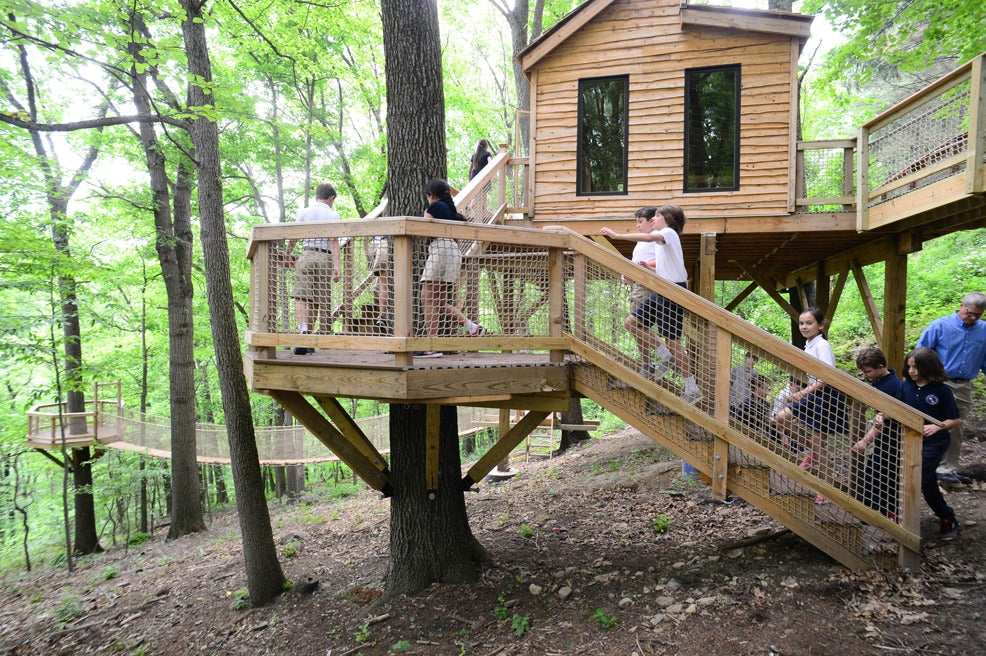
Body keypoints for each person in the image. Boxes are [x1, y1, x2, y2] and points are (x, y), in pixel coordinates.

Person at [600, 205, 701, 404]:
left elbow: (649, 238)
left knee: (673, 342)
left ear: (667, 218)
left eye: (657, 216)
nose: (653, 219)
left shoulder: (668, 232)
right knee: (631, 322)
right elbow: (663, 267)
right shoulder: (664, 239)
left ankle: (692, 387)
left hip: (673, 291)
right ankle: (665, 356)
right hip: (662, 288)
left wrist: (615, 236)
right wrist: (645, 268)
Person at [772, 307, 848, 503]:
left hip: (826, 395)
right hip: (814, 392)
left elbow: (827, 378)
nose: (804, 327)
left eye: (809, 323)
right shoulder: (809, 345)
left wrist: (801, 393)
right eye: (802, 323)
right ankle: (811, 452)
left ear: (820, 325)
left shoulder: (822, 345)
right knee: (780, 418)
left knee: (818, 442)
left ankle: (827, 488)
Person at [916, 291, 986, 484]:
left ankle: (947, 469)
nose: (972, 318)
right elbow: (920, 353)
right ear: (961, 306)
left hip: (964, 385)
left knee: (956, 427)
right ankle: (923, 465)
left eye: (977, 315)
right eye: (969, 313)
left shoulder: (984, 330)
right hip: (938, 383)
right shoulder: (940, 326)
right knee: (931, 423)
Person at [895, 347, 961, 540]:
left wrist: (938, 426)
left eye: (916, 367)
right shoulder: (905, 386)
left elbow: (954, 419)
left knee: (921, 477)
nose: (912, 371)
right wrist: (882, 416)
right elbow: (896, 409)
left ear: (928, 367)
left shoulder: (942, 390)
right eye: (909, 367)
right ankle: (946, 516)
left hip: (935, 443)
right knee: (926, 481)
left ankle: (922, 520)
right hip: (911, 441)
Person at [417, 179, 485, 358]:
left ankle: (431, 345)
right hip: (453, 253)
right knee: (438, 302)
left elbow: (422, 231)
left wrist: (424, 215)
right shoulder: (451, 210)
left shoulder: (434, 208)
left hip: (441, 251)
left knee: (426, 297)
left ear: (431, 195)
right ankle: (472, 327)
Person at [286, 183, 341, 355]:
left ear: (317, 196)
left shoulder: (304, 212)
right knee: (317, 299)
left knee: (301, 296)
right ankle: (308, 338)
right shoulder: (333, 215)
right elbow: (334, 241)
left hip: (307, 254)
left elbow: (294, 235)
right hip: (325, 257)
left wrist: (288, 253)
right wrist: (337, 266)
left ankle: (304, 331)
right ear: (331, 198)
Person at [851, 346, 902, 519]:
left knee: (881, 475)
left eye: (868, 372)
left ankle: (884, 513)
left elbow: (883, 421)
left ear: (881, 367)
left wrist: (865, 441)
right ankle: (874, 511)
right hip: (884, 439)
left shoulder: (890, 387)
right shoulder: (883, 382)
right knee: (875, 472)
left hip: (892, 439)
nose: (866, 375)